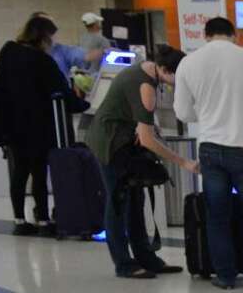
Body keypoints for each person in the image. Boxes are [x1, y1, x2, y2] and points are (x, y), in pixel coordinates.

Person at [175, 16, 243, 290]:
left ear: (206, 35)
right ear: (233, 35)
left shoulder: (189, 63)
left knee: (217, 215)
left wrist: (209, 115)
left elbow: (183, 112)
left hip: (210, 148)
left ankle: (225, 276)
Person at [83, 44, 194, 278]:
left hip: (121, 140)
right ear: (164, 69)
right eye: (177, 75)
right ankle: (124, 264)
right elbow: (146, 140)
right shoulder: (145, 86)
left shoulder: (145, 71)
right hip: (110, 144)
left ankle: (146, 257)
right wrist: (183, 162)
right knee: (118, 201)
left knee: (135, 199)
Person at [0, 14, 85, 236]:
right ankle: (43, 220)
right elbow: (61, 90)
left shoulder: (8, 51)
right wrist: (83, 104)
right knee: (39, 171)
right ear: (44, 36)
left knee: (19, 171)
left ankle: (19, 220)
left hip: (11, 124)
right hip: (38, 125)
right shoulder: (42, 60)